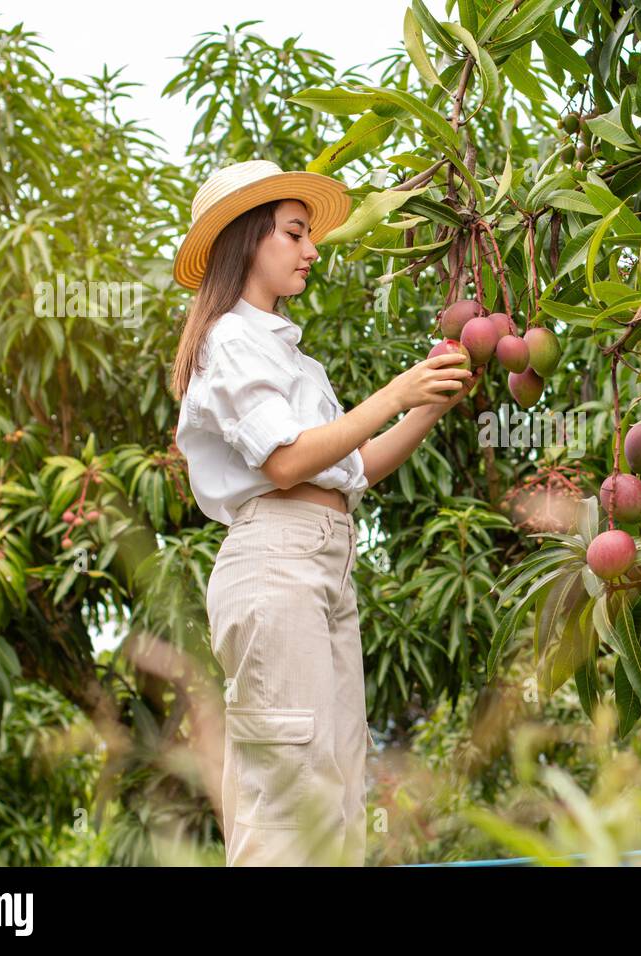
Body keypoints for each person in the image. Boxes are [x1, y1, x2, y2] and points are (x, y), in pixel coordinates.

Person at [169, 160, 479, 865]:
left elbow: (352, 467)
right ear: (246, 240)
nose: (311, 250)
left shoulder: (297, 362)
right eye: (294, 232)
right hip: (274, 562)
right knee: (289, 795)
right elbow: (285, 462)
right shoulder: (229, 339)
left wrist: (429, 404)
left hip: (324, 561)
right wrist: (396, 393)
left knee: (338, 790)